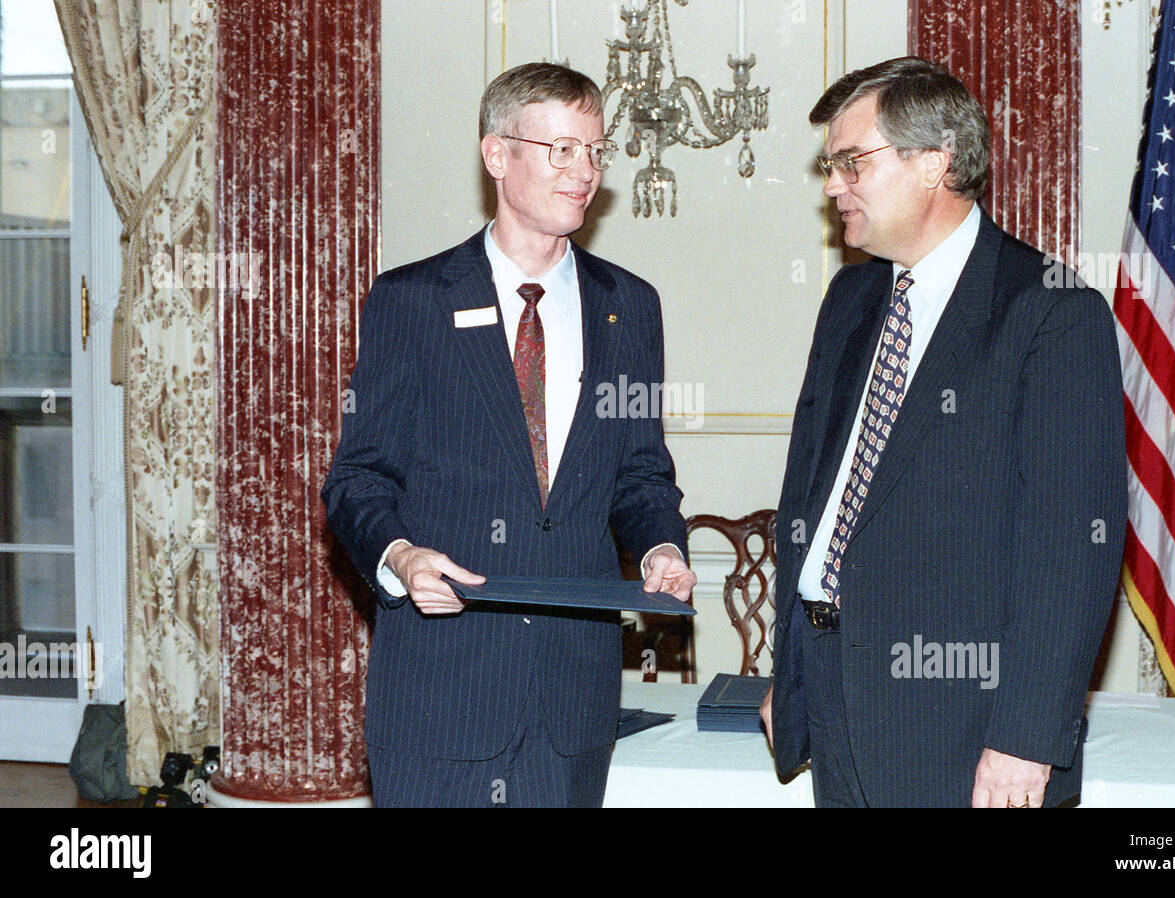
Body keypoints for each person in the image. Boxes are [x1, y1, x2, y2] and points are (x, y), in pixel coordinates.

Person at [322, 62, 695, 808]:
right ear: (498, 154)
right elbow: (357, 480)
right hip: (442, 697)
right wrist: (400, 553)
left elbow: (641, 475)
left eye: (594, 151)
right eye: (561, 149)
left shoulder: (631, 308)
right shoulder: (412, 302)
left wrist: (660, 545)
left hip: (573, 703)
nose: (584, 171)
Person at [759, 56, 1127, 807]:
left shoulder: (1049, 312)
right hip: (834, 698)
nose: (832, 186)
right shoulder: (851, 298)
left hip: (962, 728)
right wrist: (791, 677)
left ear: (934, 162)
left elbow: (1071, 548)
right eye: (830, 166)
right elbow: (814, 501)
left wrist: (1027, 739)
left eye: (851, 162)